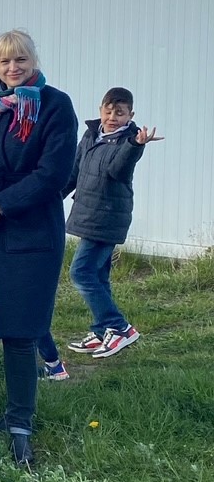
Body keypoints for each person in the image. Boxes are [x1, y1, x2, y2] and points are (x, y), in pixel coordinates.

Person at [0, 30, 76, 467]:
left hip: (29, 231)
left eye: (21, 60)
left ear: (34, 60)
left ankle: (20, 423)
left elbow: (53, 173)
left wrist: (1, 204)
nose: (13, 68)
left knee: (21, 329)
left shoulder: (54, 105)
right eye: (5, 62)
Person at [40, 87, 163, 372]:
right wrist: (47, 198)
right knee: (98, 275)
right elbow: (74, 172)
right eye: (108, 110)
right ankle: (100, 332)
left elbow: (117, 170)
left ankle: (120, 328)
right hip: (89, 214)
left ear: (130, 115)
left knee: (80, 272)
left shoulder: (128, 141)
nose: (112, 116)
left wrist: (136, 145)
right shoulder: (91, 135)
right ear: (100, 110)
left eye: (119, 112)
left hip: (107, 218)